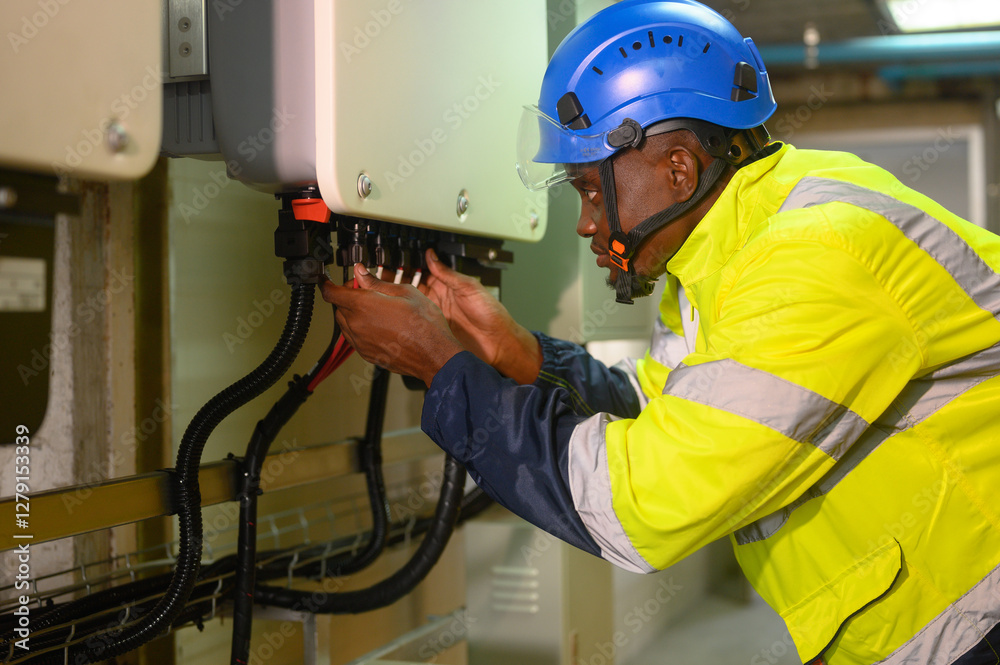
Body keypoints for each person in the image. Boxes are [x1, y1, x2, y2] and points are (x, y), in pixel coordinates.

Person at [322, 1, 1000, 663]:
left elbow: (640, 503)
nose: (587, 223)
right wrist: (525, 356)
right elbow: (666, 415)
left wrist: (443, 367)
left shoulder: (816, 256)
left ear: (678, 168)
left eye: (591, 190)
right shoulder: (725, 256)